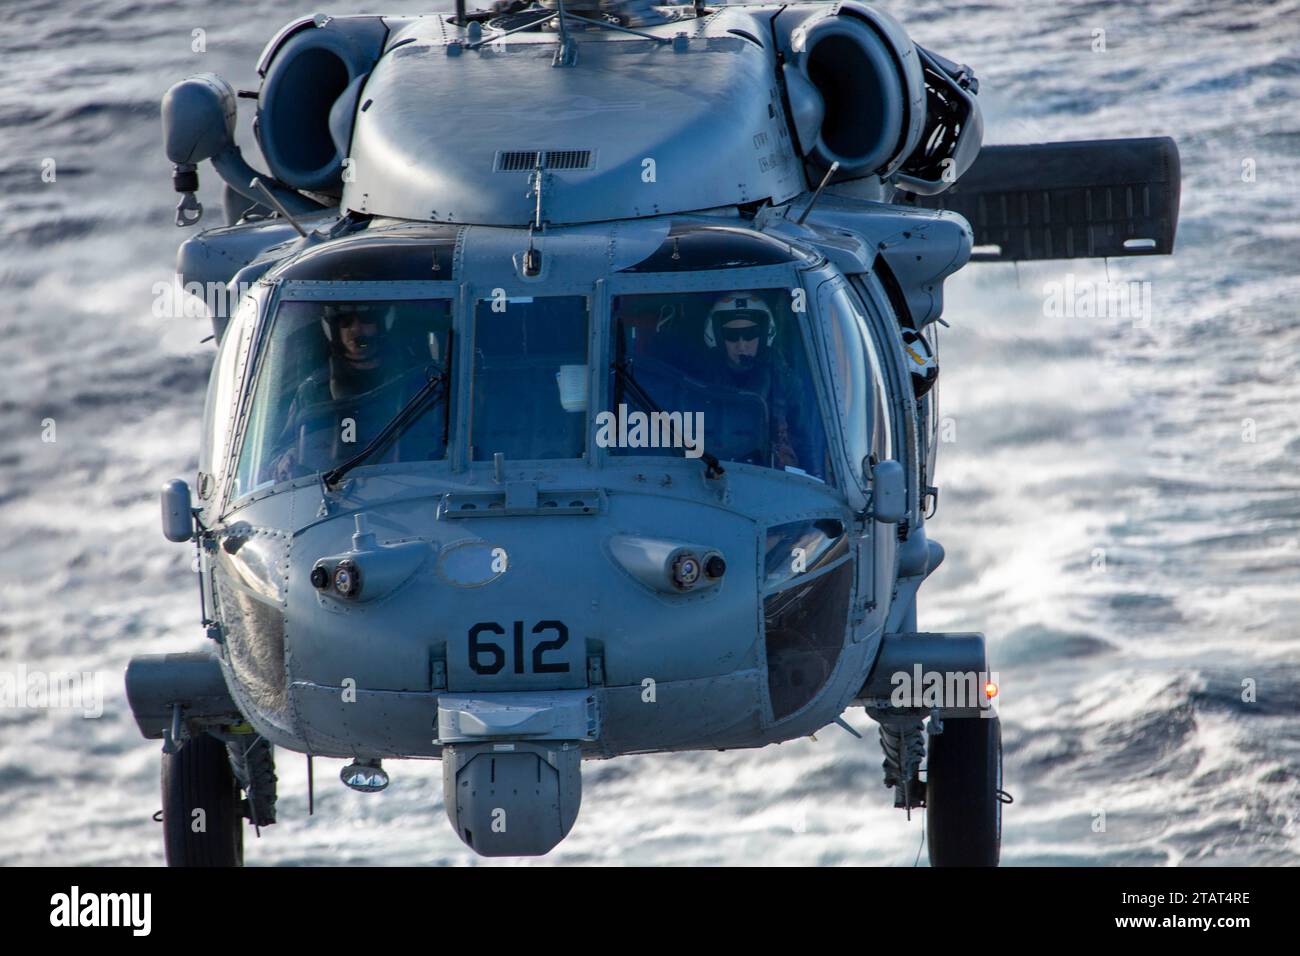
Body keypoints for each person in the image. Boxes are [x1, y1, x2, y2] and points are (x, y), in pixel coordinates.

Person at [269, 303, 443, 483]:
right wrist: (283, 461)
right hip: (333, 494)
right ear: (333, 328)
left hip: (409, 486)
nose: (356, 329)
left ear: (383, 322)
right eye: (345, 321)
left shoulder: (421, 380)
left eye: (368, 319)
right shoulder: (314, 390)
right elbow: (277, 453)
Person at [698, 291, 817, 473]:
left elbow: (804, 442)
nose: (742, 344)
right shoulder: (699, 381)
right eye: (731, 335)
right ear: (718, 337)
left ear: (763, 335)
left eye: (750, 334)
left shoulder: (784, 381)